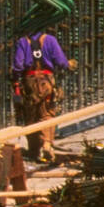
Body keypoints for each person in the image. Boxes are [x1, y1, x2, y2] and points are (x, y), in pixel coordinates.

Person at [11, 30, 77, 163]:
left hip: (29, 82)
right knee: (46, 113)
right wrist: (68, 64)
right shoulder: (50, 40)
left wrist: (15, 80)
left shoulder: (23, 42)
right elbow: (61, 62)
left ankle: (34, 151)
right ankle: (47, 143)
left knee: (30, 117)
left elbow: (18, 65)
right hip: (46, 81)